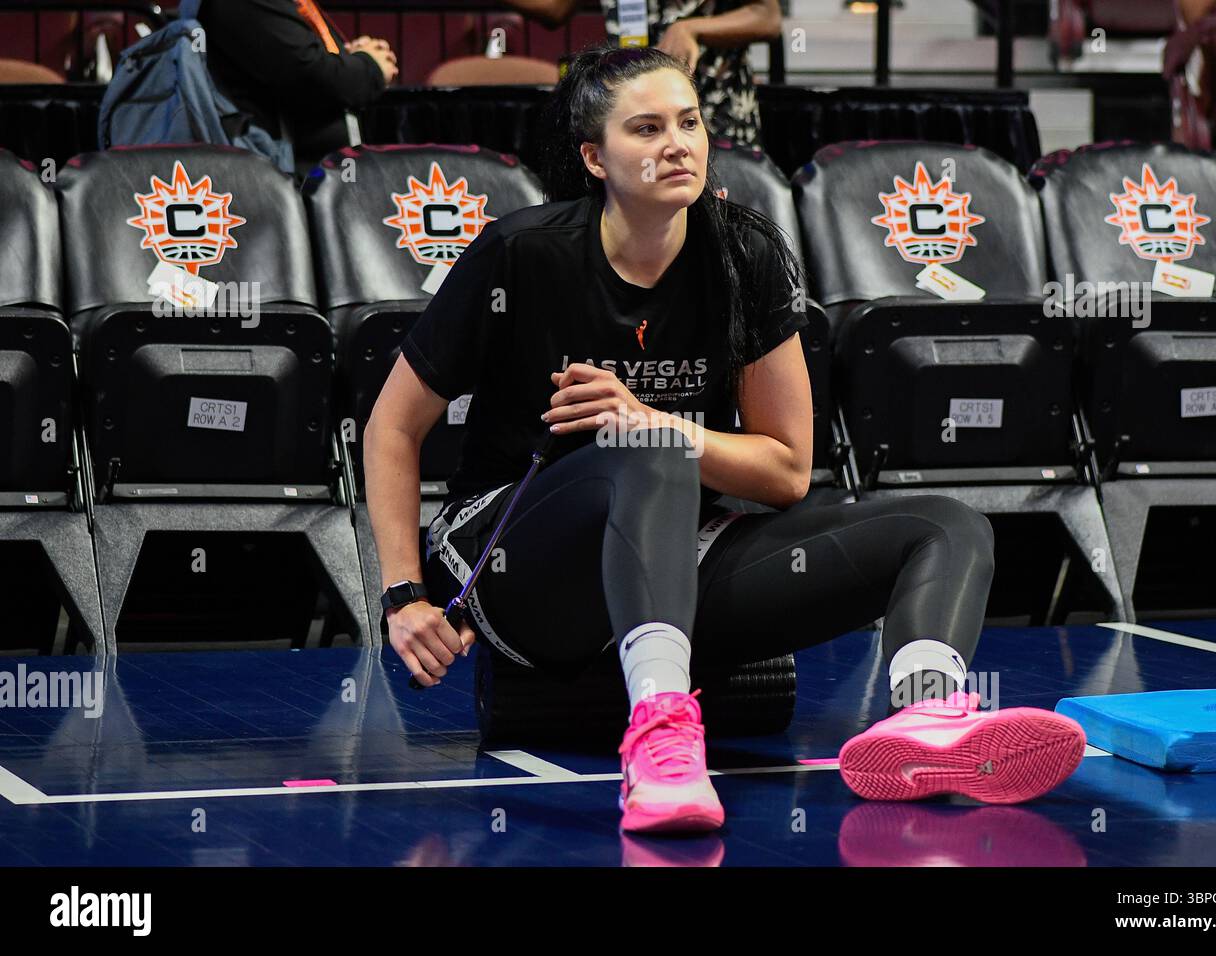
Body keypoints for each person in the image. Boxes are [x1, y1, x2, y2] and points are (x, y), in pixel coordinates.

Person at [364, 45, 1086, 834]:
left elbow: (785, 470)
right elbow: (392, 427)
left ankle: (924, 720)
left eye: (690, 122)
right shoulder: (522, 253)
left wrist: (653, 419)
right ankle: (663, 737)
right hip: (517, 564)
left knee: (946, 525)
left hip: (674, 552)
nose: (678, 143)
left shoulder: (744, 254)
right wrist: (404, 595)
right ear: (594, 157)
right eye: (646, 129)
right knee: (653, 457)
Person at [505, 0, 780, 147]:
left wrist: (692, 29)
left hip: (714, 108)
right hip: (632, 108)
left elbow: (767, 15)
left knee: (719, 224)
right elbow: (555, 7)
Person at [198, 0, 399, 179]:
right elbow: (313, 77)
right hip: (279, 180)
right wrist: (371, 66)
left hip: (314, 177)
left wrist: (353, 59)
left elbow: (308, 57)